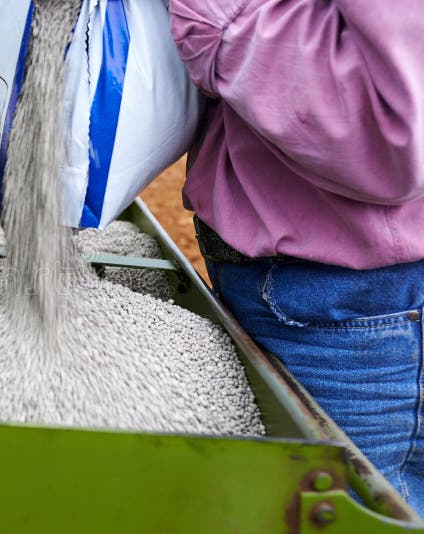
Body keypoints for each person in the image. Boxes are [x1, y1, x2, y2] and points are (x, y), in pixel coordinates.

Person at [168, 0, 424, 513]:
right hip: (344, 299)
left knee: (362, 515)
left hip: (352, 314)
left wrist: (214, 16)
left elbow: (387, 129)